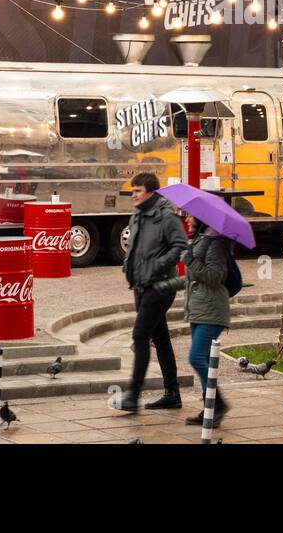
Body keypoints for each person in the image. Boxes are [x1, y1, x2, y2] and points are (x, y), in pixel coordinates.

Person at [118, 172, 188, 412]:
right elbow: (135, 247)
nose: (133, 195)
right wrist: (129, 264)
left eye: (137, 191)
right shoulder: (137, 215)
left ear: (150, 191)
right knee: (160, 338)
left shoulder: (166, 217)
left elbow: (180, 246)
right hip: (140, 285)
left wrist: (158, 265)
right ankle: (172, 393)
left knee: (140, 336)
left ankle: (132, 396)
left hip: (160, 286)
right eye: (133, 190)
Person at [171, 221, 233, 427]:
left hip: (212, 310)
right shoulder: (202, 237)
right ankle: (210, 409)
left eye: (190, 215)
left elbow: (215, 276)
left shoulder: (216, 242)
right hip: (199, 309)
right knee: (204, 358)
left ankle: (218, 405)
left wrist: (189, 259)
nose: (187, 219)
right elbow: (194, 277)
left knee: (196, 358)